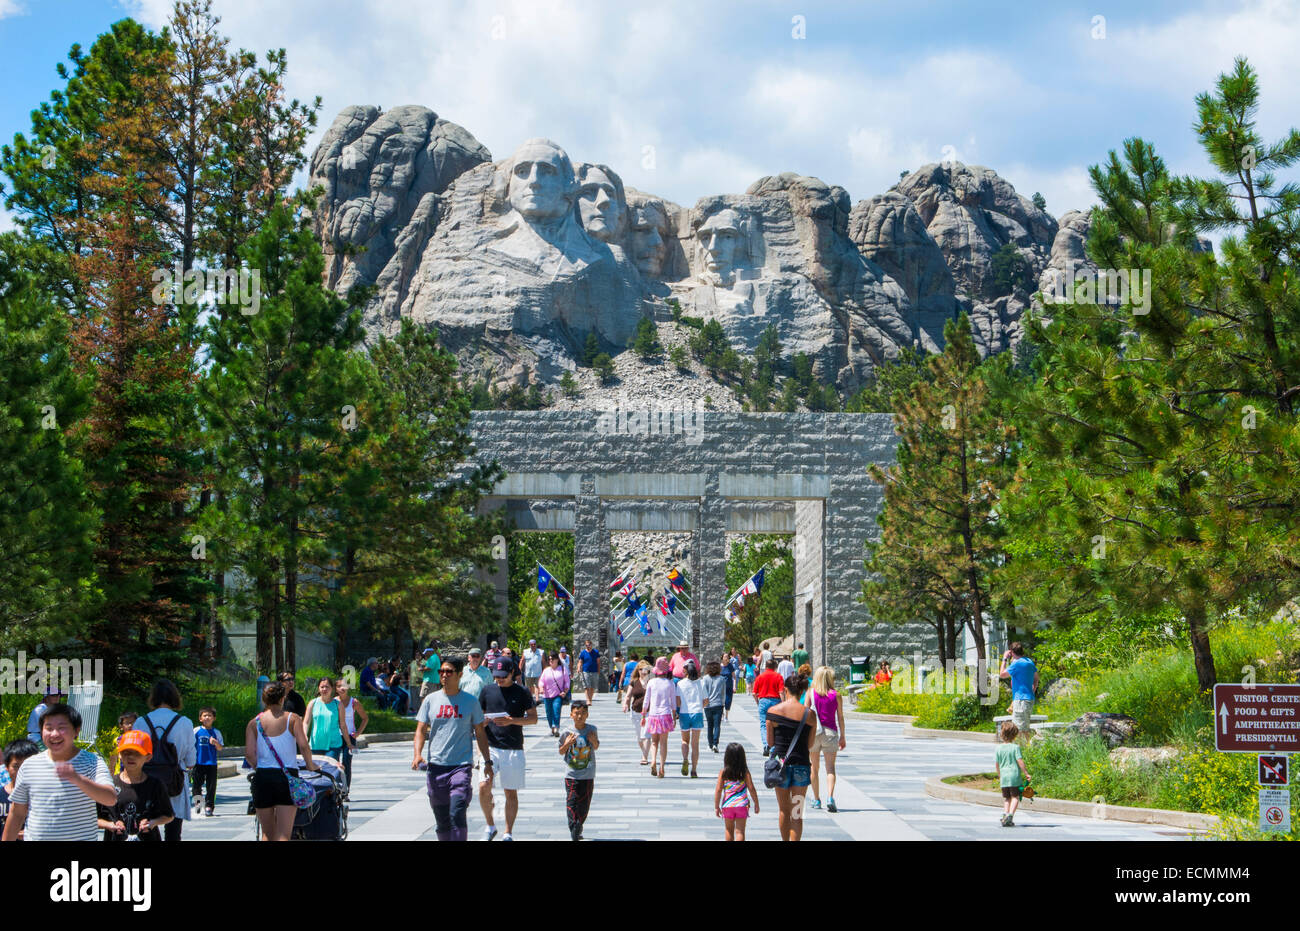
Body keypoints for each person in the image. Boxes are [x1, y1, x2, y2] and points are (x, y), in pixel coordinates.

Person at [2, 704, 118, 842]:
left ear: (76, 731)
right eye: (49, 728)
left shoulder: (93, 762)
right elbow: (17, 812)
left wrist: (77, 779)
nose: (55, 734)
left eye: (62, 728)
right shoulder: (29, 765)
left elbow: (110, 798)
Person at [412, 657, 492, 842]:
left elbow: (480, 733)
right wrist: (417, 755)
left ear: (459, 675)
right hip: (436, 767)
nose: (444, 675)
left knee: (457, 812)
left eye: (449, 672)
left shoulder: (470, 702)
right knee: (442, 820)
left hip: (460, 766)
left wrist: (486, 761)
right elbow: (421, 729)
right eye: (441, 672)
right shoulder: (430, 700)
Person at [246, 681, 317, 841]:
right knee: (284, 834)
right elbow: (304, 746)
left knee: (267, 833)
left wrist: (260, 767)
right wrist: (311, 765)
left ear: (264, 700)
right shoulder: (292, 719)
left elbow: (249, 754)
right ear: (283, 698)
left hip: (262, 777)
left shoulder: (253, 723)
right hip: (287, 778)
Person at [478, 657, 538, 841]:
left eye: (503, 676)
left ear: (512, 672)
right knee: (483, 786)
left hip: (513, 747)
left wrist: (512, 720)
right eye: (496, 676)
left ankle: (508, 832)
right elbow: (478, 717)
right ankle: (490, 825)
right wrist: (484, 721)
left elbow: (533, 718)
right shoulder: (487, 691)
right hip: (490, 746)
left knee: (510, 791)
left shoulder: (522, 691)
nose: (499, 679)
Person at [135, 679, 196, 842]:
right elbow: (191, 760)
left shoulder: (141, 722)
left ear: (153, 697)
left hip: (146, 781)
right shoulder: (185, 722)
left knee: (145, 826)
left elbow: (134, 753)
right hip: (173, 781)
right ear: (174, 698)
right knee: (174, 831)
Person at [765, 671, 816, 842]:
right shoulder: (809, 714)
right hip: (801, 764)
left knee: (783, 810)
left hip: (781, 767)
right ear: (801, 692)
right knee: (797, 813)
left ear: (785, 689)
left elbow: (770, 743)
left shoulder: (772, 711)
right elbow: (810, 744)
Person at [97, 730, 173, 841]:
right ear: (119, 754)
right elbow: (93, 819)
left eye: (137, 753)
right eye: (126, 752)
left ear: (148, 757)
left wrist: (152, 823)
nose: (131, 757)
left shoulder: (155, 785)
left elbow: (168, 815)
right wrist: (110, 825)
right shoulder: (109, 784)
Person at [558, 700, 599, 841]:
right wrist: (567, 744)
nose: (580, 716)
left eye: (583, 713)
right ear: (571, 715)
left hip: (588, 773)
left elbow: (596, 746)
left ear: (587, 714)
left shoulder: (592, 729)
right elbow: (561, 751)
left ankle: (578, 824)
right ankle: (574, 828)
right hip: (571, 774)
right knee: (571, 801)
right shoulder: (566, 732)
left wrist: (593, 740)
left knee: (584, 803)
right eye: (577, 713)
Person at [807, 666, 846, 813]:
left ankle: (816, 799)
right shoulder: (836, 695)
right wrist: (843, 736)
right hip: (830, 733)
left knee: (814, 767)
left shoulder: (811, 693)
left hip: (814, 733)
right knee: (830, 768)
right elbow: (840, 717)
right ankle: (830, 797)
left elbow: (806, 714)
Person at [641, 658, 678, 778]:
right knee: (663, 742)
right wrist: (674, 715)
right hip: (665, 714)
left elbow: (646, 700)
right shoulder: (670, 683)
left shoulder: (651, 682)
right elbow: (673, 702)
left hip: (653, 714)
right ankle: (661, 768)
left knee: (654, 742)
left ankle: (652, 761)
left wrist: (643, 714)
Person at [714, 742, 758, 841]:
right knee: (740, 831)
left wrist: (716, 806)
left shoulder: (723, 772)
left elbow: (718, 790)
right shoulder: (745, 772)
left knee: (729, 830)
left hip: (728, 805)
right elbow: (751, 788)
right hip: (742, 805)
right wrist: (756, 803)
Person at [304, 677, 353, 764]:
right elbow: (306, 722)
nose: (324, 689)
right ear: (318, 688)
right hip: (315, 745)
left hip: (333, 745)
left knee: (330, 770)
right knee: (316, 773)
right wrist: (304, 736)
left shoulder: (338, 705)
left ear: (332, 688)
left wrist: (349, 743)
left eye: (327, 687)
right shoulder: (313, 703)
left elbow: (343, 725)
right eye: (322, 687)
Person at [0, 739, 39, 840]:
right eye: (16, 766)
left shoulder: (42, 797)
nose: (22, 771)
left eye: (27, 766)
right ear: (7, 767)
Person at [999, 642, 1040, 736]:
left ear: (1012, 652)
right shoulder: (1029, 662)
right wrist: (1032, 691)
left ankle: (1026, 747)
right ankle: (1029, 746)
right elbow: (1036, 679)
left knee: (1018, 729)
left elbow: (1002, 674)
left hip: (1020, 700)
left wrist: (1005, 658)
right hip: (1028, 698)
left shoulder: (1017, 664)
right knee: (1024, 727)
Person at [997, 721, 1031, 826]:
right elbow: (1020, 761)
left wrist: (999, 776)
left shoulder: (998, 748)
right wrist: (1026, 773)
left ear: (1002, 734)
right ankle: (1010, 816)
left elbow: (997, 764)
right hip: (1014, 777)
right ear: (1015, 735)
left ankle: (1005, 814)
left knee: (1007, 798)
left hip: (1004, 777)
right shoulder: (1015, 748)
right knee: (1015, 797)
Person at [191, 706, 223, 817]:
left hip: (211, 764)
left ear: (214, 718)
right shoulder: (196, 731)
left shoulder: (216, 732)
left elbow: (220, 748)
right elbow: (190, 745)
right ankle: (198, 802)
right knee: (196, 785)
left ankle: (209, 806)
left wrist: (215, 743)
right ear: (200, 718)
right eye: (204, 715)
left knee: (211, 786)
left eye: (210, 715)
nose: (207, 718)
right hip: (198, 763)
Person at [335, 678, 368, 787]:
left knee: (346, 763)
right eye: (339, 686)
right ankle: (335, 789)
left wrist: (358, 733)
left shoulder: (354, 702)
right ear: (335, 688)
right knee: (334, 763)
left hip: (350, 736)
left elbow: (365, 718)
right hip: (336, 736)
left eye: (344, 686)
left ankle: (346, 789)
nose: (342, 688)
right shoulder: (334, 702)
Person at [676, 660, 705, 777]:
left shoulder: (680, 684)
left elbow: (678, 702)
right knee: (695, 743)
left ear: (686, 671)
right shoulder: (701, 683)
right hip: (697, 712)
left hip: (684, 713)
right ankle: (694, 770)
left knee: (685, 740)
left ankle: (685, 758)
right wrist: (699, 706)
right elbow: (706, 700)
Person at [751, 659, 786, 754]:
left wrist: (758, 702)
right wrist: (783, 704)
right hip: (775, 701)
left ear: (765, 666)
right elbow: (781, 692)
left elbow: (754, 693)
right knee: (775, 725)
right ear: (775, 667)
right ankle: (773, 747)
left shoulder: (760, 677)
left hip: (763, 700)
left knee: (763, 724)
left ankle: (766, 745)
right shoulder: (778, 676)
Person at [622, 661, 653, 765]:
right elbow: (628, 695)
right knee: (640, 737)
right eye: (640, 669)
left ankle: (644, 757)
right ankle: (645, 752)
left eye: (645, 669)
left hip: (649, 712)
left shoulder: (652, 681)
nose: (643, 672)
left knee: (646, 735)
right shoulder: (634, 682)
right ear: (638, 670)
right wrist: (625, 704)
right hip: (635, 712)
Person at [540, 652, 570, 736]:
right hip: (547, 695)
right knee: (549, 713)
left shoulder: (563, 669)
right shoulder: (546, 670)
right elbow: (541, 681)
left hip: (558, 695)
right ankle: (552, 728)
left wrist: (565, 691)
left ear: (557, 659)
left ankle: (556, 728)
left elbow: (567, 682)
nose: (550, 660)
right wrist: (541, 688)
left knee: (556, 711)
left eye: (552, 659)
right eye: (549, 659)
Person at [701, 660, 727, 752]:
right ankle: (715, 744)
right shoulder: (722, 679)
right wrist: (723, 703)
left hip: (708, 705)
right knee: (717, 725)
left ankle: (710, 744)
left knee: (709, 725)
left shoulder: (705, 678)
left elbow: (703, 692)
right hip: (718, 704)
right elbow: (723, 693)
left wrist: (702, 703)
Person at [578, 639, 601, 703]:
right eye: (586, 645)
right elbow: (580, 662)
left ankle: (590, 699)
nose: (588, 646)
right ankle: (588, 700)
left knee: (592, 687)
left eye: (589, 645)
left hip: (594, 671)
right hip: (586, 671)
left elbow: (598, 662)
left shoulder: (596, 652)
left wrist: (598, 670)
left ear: (591, 645)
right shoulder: (583, 653)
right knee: (587, 686)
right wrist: (579, 668)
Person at [721, 651, 738, 719]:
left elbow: (734, 677)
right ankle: (722, 714)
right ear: (722, 658)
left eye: (727, 657)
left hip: (729, 686)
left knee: (728, 700)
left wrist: (734, 686)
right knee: (721, 701)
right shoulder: (719, 666)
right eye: (725, 656)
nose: (726, 658)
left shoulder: (730, 665)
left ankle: (726, 716)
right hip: (721, 687)